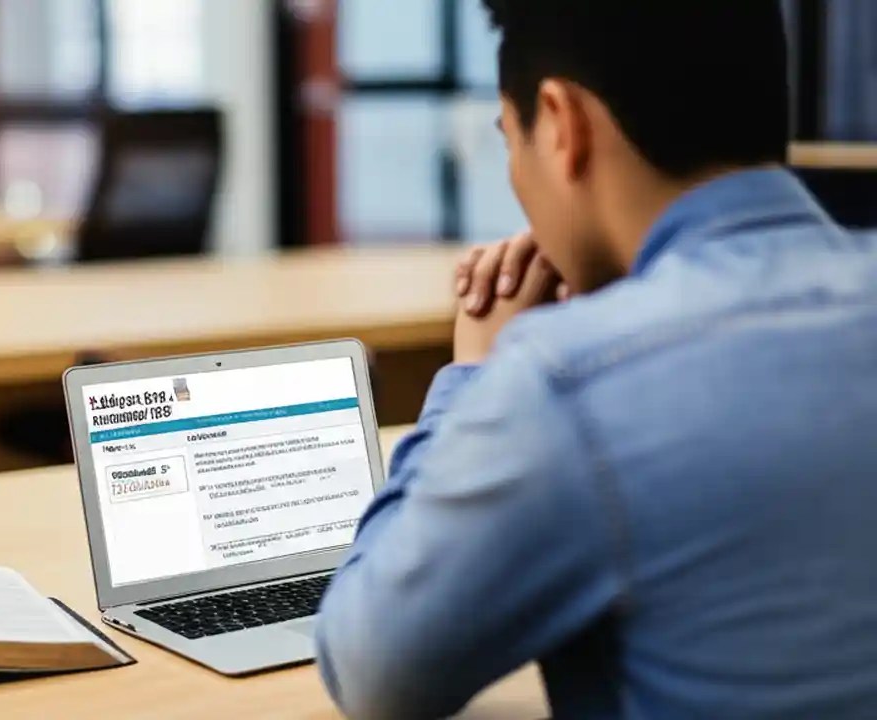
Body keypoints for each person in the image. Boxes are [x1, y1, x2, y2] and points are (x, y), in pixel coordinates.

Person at [315, 1, 877, 718]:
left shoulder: (570, 382)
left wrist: (474, 381)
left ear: (561, 124)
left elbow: (371, 672)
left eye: (509, 139)